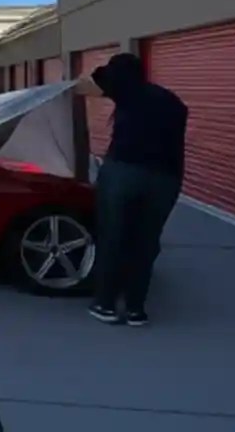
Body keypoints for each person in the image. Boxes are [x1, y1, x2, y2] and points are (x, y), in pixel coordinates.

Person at [74, 52, 188, 327]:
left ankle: (105, 304)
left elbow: (98, 77)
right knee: (146, 242)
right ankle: (136, 309)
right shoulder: (173, 102)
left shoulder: (126, 91)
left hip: (124, 172)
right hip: (166, 178)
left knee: (113, 236)